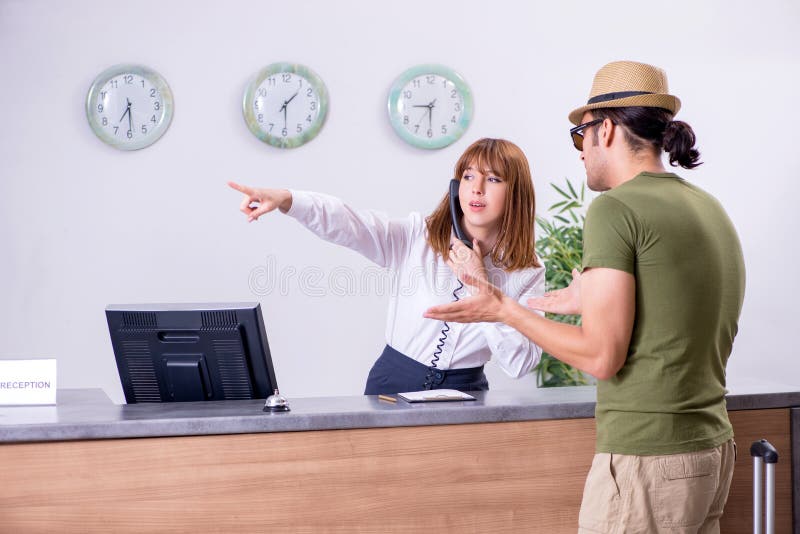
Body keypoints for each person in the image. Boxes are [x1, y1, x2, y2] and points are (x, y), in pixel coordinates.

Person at [424, 61, 745, 532]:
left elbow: (600, 356)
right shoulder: (706, 206)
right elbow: (683, 310)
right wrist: (590, 298)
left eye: (581, 136)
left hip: (646, 462)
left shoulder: (615, 208)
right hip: (710, 451)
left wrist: (503, 309)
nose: (580, 152)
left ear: (607, 130)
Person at [229, 138, 545, 395]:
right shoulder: (416, 235)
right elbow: (347, 222)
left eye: (492, 179)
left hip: (466, 395)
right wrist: (287, 199)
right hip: (391, 386)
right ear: (455, 187)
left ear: (514, 192)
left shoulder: (528, 271)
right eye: (468, 176)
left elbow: (520, 364)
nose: (477, 188)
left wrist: (481, 285)